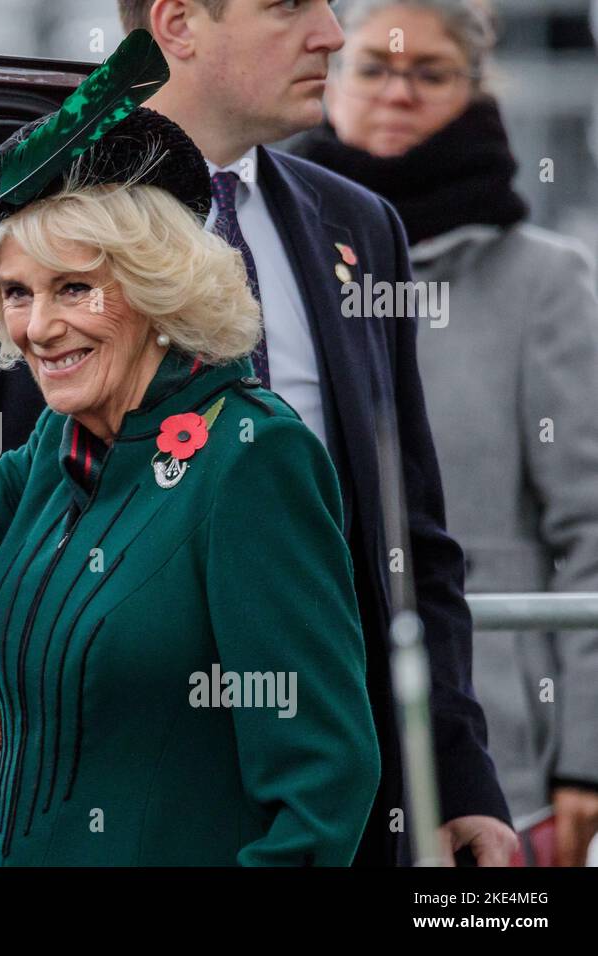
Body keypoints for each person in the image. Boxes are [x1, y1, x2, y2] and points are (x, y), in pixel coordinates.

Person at [0, 43, 381, 864]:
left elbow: (324, 786)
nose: (39, 328)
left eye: (74, 289)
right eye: (17, 294)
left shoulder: (251, 460)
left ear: (159, 289)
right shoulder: (61, 450)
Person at [290, 0, 598, 868]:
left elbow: (591, 529)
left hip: (502, 770)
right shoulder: (265, 254)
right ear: (333, 77)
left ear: (473, 89)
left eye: (430, 72)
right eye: (375, 68)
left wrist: (587, 755)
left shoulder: (543, 280)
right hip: (311, 748)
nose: (399, 93)